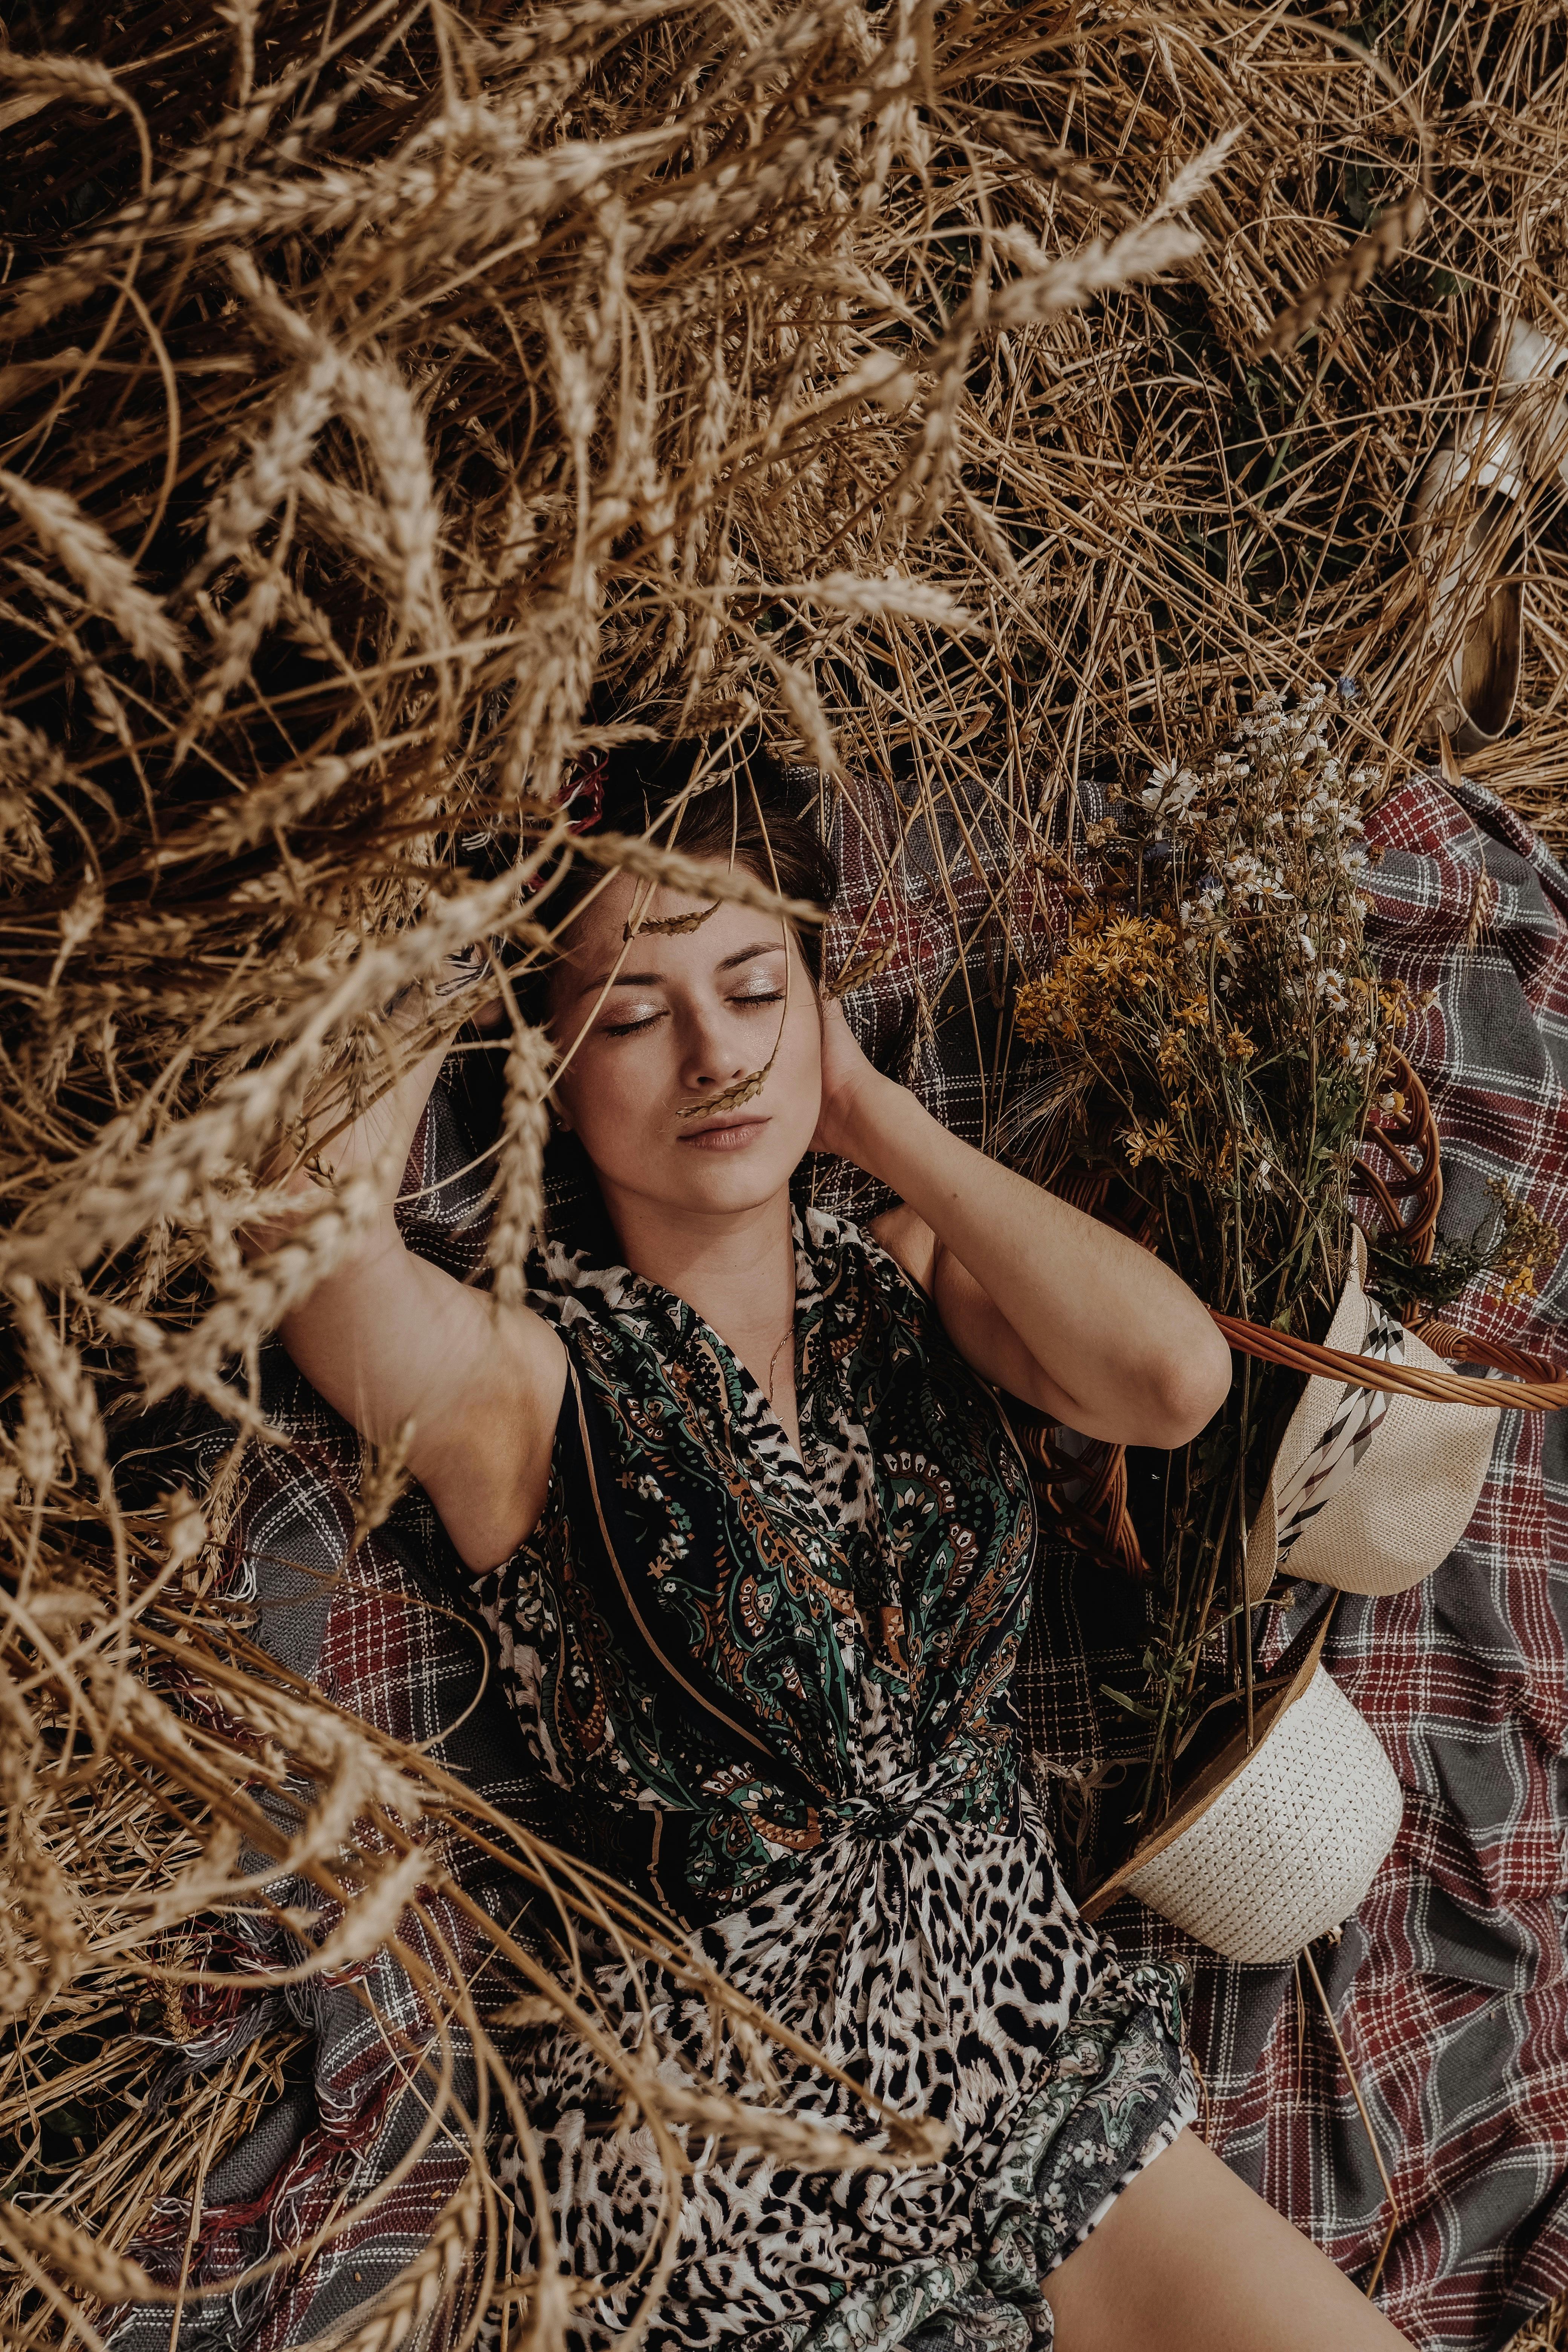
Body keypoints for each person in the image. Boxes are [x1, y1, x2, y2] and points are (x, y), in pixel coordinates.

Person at [253, 742, 1414, 2352]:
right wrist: (450, 907)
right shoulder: (517, 1392)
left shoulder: (908, 1276)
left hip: (1042, 2077)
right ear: (552, 1070)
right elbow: (303, 1232)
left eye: (752, 987)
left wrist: (859, 1105)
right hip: (748, 2193)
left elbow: (1172, 1382)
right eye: (637, 1017)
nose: (712, 1056)